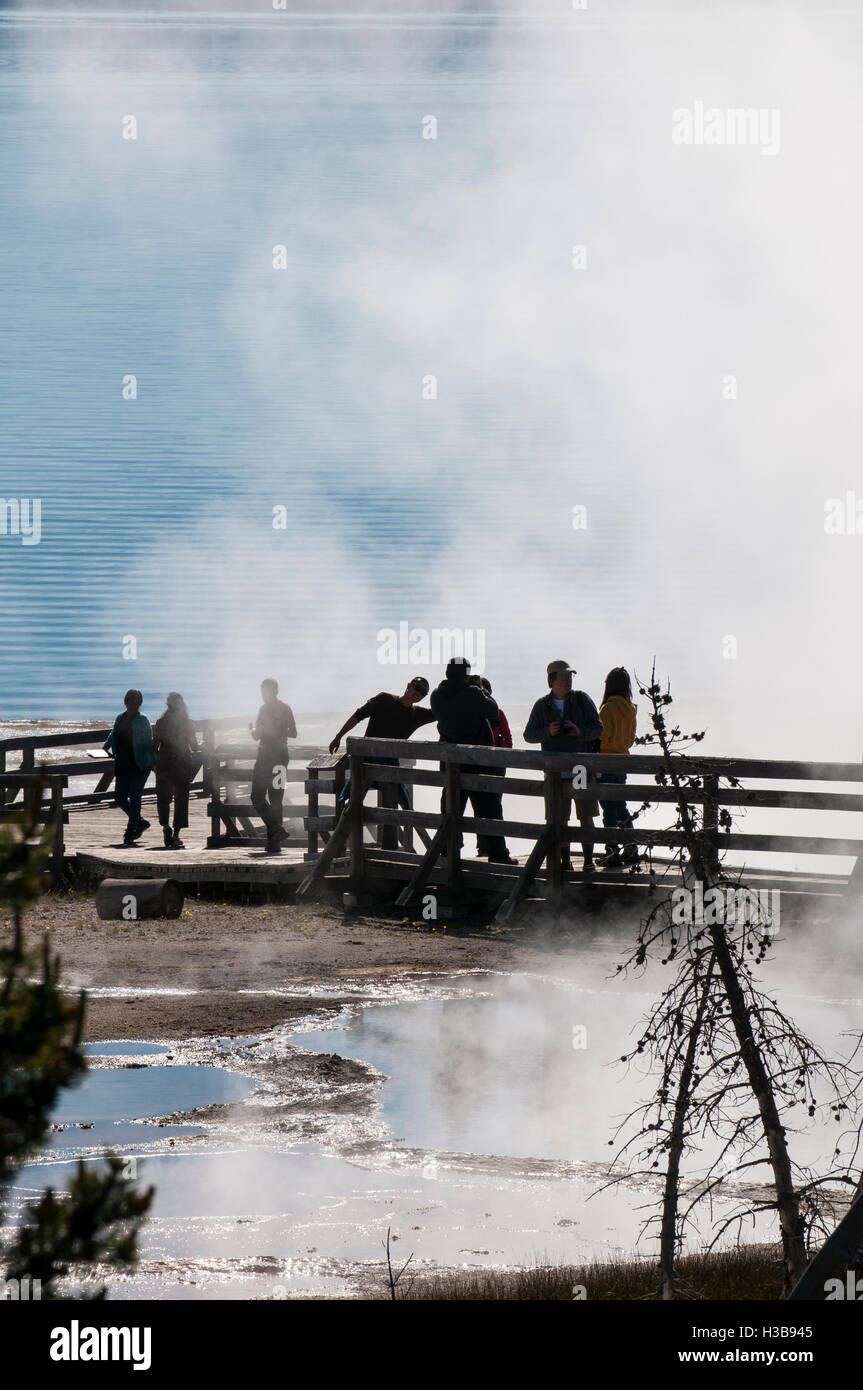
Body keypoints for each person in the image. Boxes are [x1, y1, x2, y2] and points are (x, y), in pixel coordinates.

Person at [329, 677, 435, 852]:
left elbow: (443, 712)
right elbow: (358, 715)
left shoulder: (417, 715)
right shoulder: (384, 699)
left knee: (393, 804)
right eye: (417, 688)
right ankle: (338, 846)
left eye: (423, 692)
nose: (418, 693)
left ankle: (390, 848)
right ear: (408, 685)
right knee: (350, 801)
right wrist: (338, 736)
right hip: (366, 762)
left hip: (389, 766)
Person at [523, 659, 603, 876]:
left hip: (581, 767)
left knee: (586, 815)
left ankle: (588, 861)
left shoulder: (582, 699)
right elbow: (528, 735)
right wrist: (548, 731)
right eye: (564, 677)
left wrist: (579, 732)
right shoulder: (542, 705)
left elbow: (598, 728)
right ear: (552, 680)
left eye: (570, 677)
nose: (568, 680)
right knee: (560, 818)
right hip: (555, 771)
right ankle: (564, 862)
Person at [431, 658, 513, 863]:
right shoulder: (473, 692)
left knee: (451, 810)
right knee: (490, 810)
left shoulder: (436, 695)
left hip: (450, 763)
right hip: (478, 762)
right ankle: (498, 855)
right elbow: (492, 709)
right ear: (466, 673)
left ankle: (449, 855)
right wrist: (479, 688)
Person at [250, 678, 297, 855]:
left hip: (266, 757)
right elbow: (294, 733)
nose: (263, 695)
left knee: (257, 796)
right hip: (282, 756)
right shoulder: (286, 708)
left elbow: (257, 736)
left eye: (264, 691)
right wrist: (280, 730)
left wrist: (253, 731)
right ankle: (274, 843)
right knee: (276, 798)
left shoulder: (263, 710)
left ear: (272, 691)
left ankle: (276, 831)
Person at [597, 667, 638, 868]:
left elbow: (602, 737)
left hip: (605, 762)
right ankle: (631, 847)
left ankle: (611, 850)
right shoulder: (631, 710)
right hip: (622, 760)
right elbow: (630, 739)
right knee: (620, 805)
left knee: (609, 808)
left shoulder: (608, 709)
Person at [103, 689, 155, 846]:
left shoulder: (142, 720)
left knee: (135, 797)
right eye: (129, 701)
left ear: (139, 703)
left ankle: (130, 832)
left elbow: (149, 742)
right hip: (123, 763)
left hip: (139, 764)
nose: (131, 705)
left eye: (134, 702)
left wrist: (153, 761)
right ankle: (140, 821)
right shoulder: (120, 717)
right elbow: (113, 735)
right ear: (125, 702)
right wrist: (105, 748)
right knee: (119, 797)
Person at [153, 692, 200, 849]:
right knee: (181, 799)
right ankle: (176, 835)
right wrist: (203, 747)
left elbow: (154, 747)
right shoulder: (186, 723)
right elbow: (194, 746)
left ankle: (166, 827)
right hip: (182, 762)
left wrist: (157, 762)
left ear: (167, 706)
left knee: (163, 797)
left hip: (165, 761)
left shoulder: (161, 723)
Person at [478, 677, 516, 863]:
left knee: (495, 804)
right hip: (480, 763)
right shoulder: (474, 713)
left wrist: (504, 754)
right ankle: (483, 846)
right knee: (481, 805)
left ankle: (490, 846)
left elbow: (508, 736)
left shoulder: (498, 712)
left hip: (497, 763)